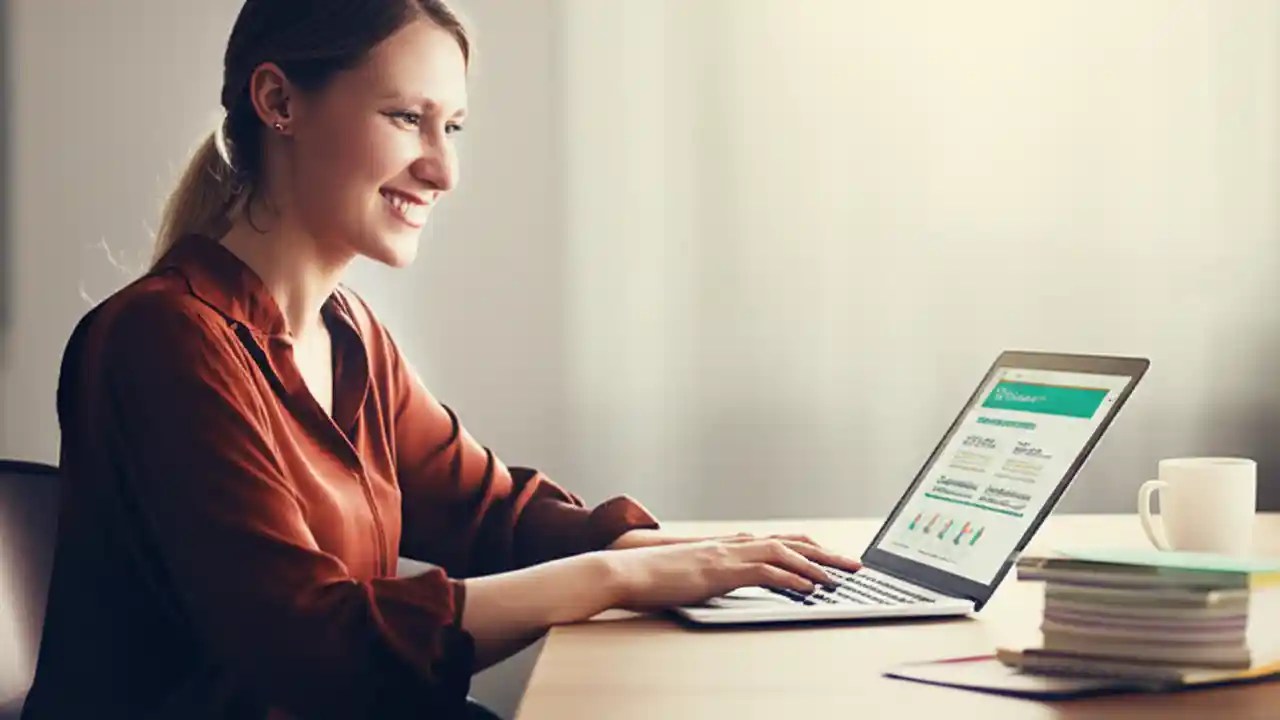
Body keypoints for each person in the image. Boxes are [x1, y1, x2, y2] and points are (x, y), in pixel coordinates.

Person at [22, 1, 861, 718]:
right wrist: (615, 578)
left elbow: (493, 517)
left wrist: (696, 556)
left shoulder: (350, 336)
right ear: (278, 101)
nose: (443, 168)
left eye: (451, 126)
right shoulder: (164, 340)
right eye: (405, 118)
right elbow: (308, 644)